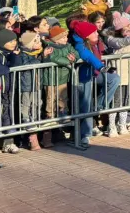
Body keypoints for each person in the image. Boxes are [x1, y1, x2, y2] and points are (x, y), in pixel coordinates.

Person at [70, 21, 121, 149]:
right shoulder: (79, 45)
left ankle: (98, 106)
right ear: (86, 35)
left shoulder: (96, 42)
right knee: (85, 105)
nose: (96, 33)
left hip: (94, 73)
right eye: (93, 32)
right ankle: (84, 135)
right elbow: (88, 56)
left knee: (114, 79)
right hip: (83, 78)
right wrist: (101, 67)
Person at [41, 25, 75, 147]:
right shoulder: (50, 47)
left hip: (63, 78)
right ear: (55, 39)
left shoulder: (68, 46)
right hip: (50, 79)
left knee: (63, 101)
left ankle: (61, 130)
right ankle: (47, 138)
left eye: (66, 36)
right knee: (50, 105)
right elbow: (54, 58)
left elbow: (75, 54)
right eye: (62, 37)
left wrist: (74, 58)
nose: (66, 39)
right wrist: (68, 61)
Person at [15, 31, 46, 150]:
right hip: (26, 84)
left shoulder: (38, 53)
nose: (39, 43)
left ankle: (35, 118)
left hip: (37, 84)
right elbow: (25, 64)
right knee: (26, 103)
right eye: (36, 41)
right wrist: (40, 59)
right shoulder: (24, 53)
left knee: (38, 102)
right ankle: (26, 119)